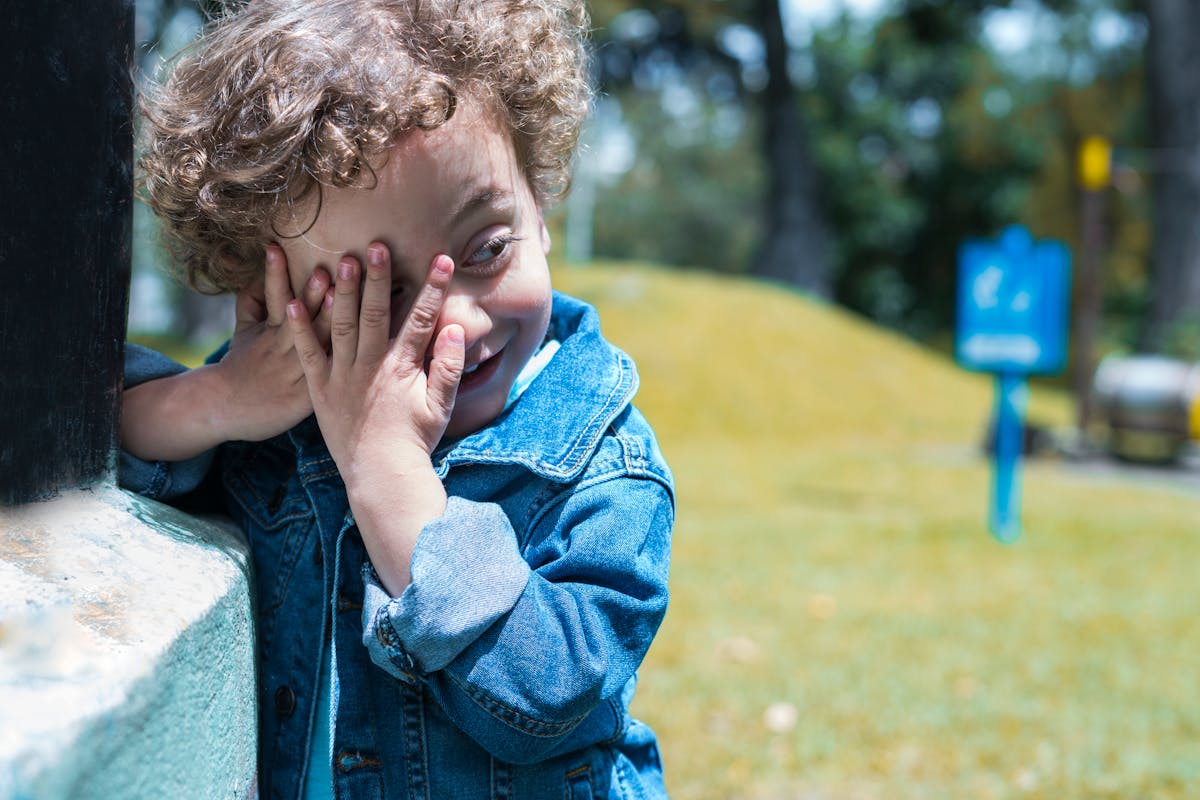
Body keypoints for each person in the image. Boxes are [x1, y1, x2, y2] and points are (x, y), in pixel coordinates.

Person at [118, 1, 674, 798]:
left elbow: (550, 700)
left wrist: (385, 470)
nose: (456, 324)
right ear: (285, 304)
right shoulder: (283, 418)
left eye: (487, 249)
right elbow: (90, 445)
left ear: (541, 208)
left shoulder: (597, 455)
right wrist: (217, 400)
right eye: (382, 297)